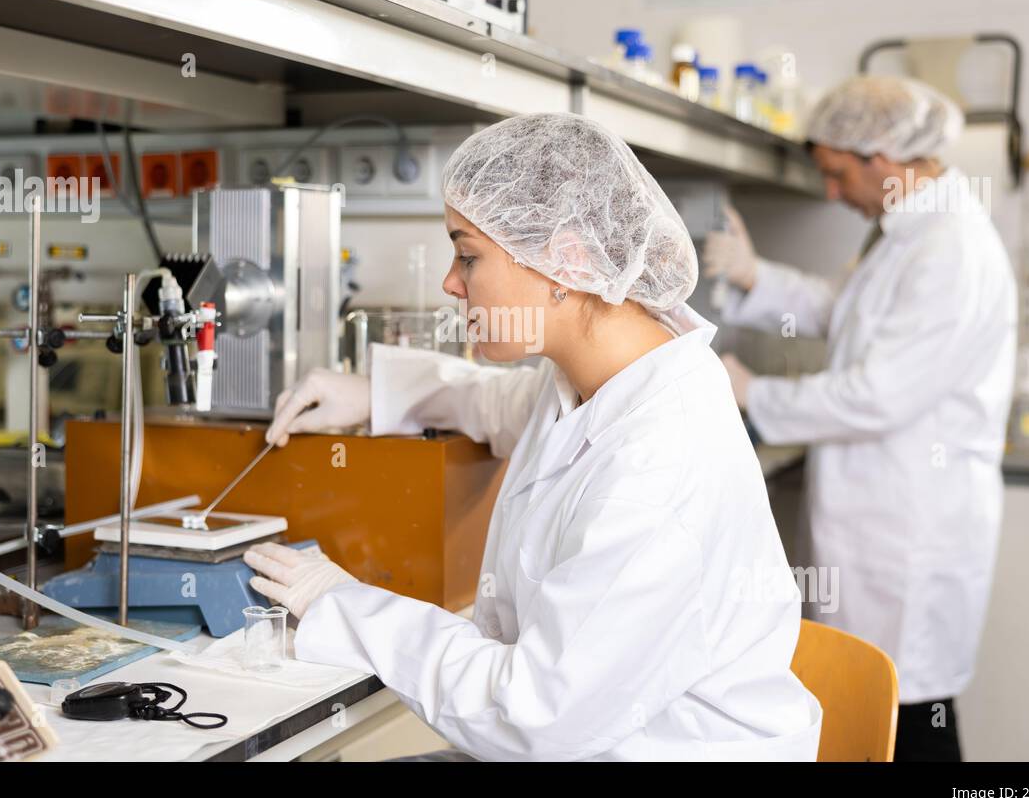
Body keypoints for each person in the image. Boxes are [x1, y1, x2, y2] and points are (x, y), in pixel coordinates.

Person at [243, 112, 822, 761]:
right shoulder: (615, 371)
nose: (450, 283)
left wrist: (343, 606)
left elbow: (534, 716)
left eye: (468, 255)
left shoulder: (661, 468)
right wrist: (380, 391)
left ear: (567, 261)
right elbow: (511, 405)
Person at [705, 77, 1017, 762]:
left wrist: (755, 394)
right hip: (881, 521)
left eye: (838, 174)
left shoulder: (951, 248)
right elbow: (841, 310)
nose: (832, 193)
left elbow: (879, 394)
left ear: (882, 155)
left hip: (911, 535)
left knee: (911, 716)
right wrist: (757, 276)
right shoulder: (905, 235)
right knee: (885, 706)